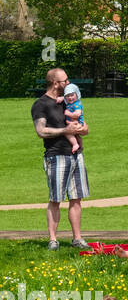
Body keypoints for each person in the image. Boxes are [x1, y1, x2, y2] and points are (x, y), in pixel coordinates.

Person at [30, 67, 89, 251]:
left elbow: (84, 126)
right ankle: (53, 240)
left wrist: (82, 129)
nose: (68, 82)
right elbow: (41, 131)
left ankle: (77, 238)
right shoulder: (41, 104)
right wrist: (66, 131)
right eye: (64, 80)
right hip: (56, 156)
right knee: (55, 199)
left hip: (75, 154)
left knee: (76, 198)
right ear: (55, 83)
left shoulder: (68, 99)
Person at [60, 82, 85, 154]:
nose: (70, 98)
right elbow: (65, 99)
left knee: (67, 132)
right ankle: (80, 146)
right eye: (68, 96)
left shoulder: (77, 104)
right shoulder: (71, 103)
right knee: (77, 135)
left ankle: (75, 144)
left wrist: (68, 113)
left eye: (72, 95)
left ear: (77, 95)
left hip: (77, 123)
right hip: (73, 122)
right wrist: (61, 98)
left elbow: (77, 114)